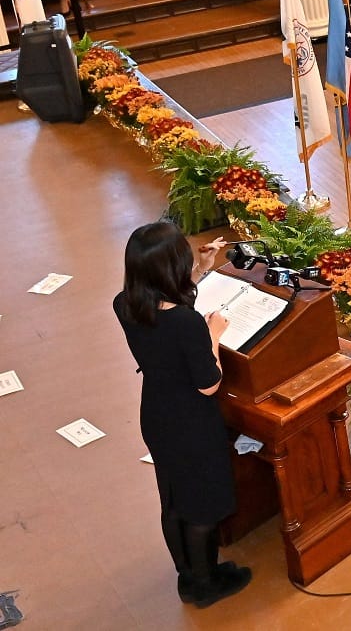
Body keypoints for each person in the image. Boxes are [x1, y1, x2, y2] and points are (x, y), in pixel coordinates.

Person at [114, 222, 252, 607]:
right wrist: (215, 335)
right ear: (170, 268)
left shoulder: (125, 303)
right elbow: (208, 383)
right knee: (203, 505)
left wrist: (199, 272)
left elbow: (166, 318)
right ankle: (206, 585)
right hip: (192, 422)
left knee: (174, 498)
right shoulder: (187, 323)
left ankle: (188, 577)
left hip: (157, 414)